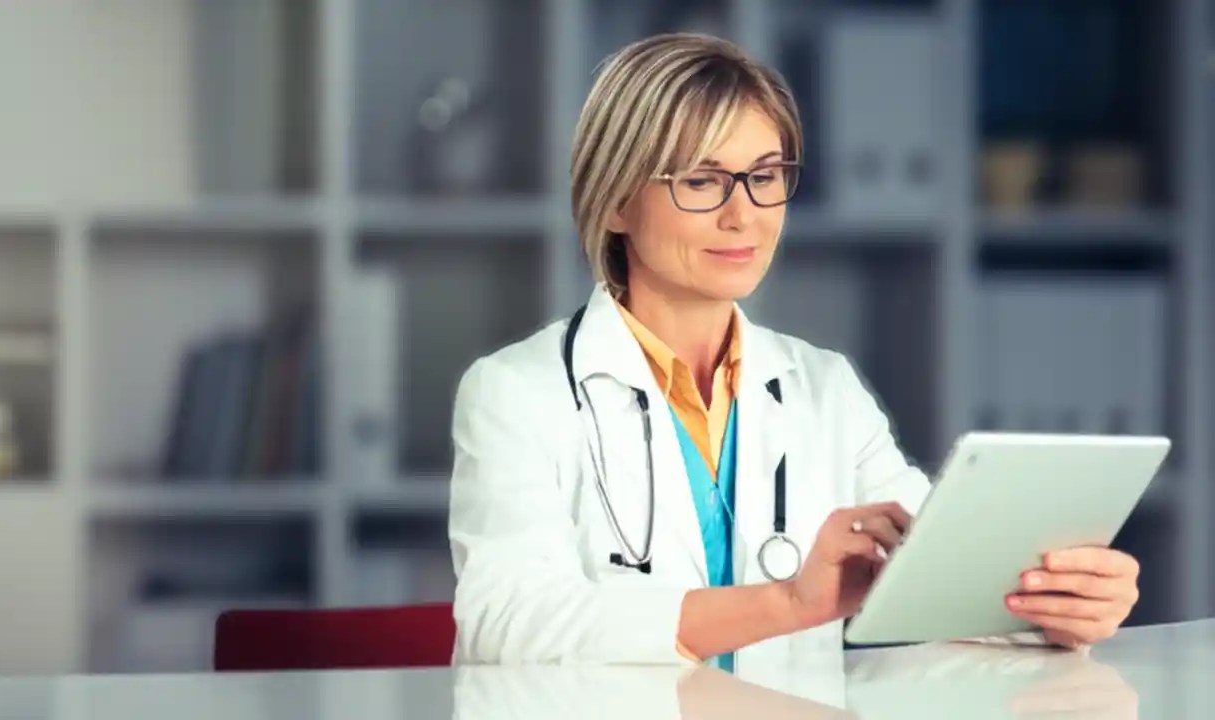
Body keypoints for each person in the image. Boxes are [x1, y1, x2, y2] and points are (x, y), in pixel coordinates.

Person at [446, 32, 1140, 671]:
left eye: (765, 174)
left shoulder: (822, 389)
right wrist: (787, 603)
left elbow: (943, 577)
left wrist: (1062, 604)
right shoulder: (519, 391)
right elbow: (507, 621)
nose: (742, 213)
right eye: (701, 180)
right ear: (616, 202)